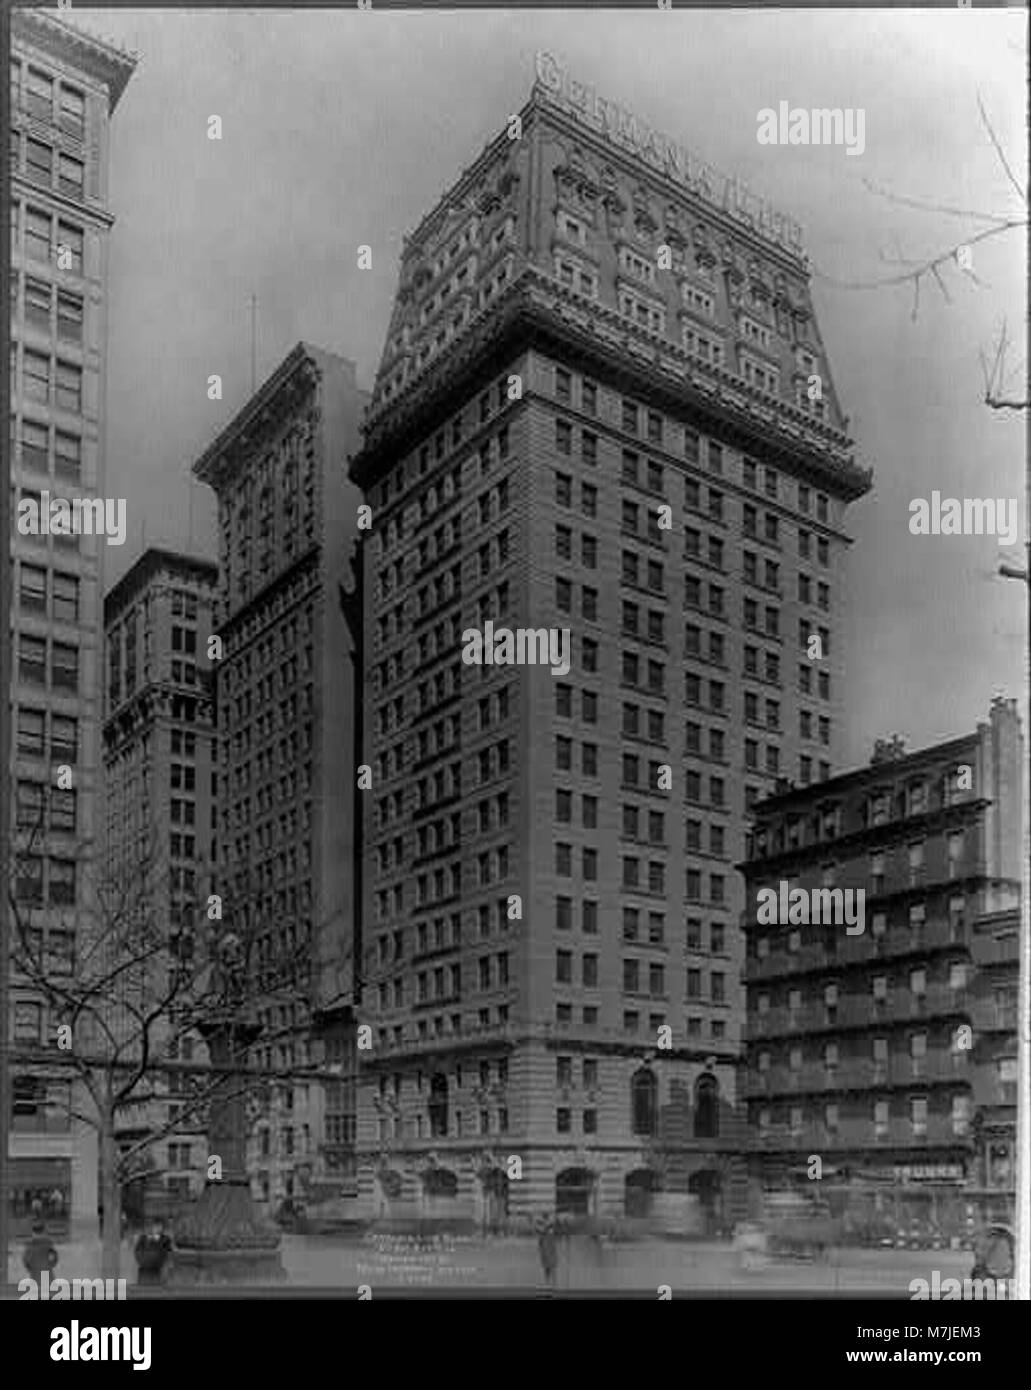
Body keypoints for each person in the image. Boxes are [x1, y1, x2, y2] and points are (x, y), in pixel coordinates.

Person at [134, 1218, 173, 1286]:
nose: (157, 1228)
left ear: (162, 1228)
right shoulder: (143, 1238)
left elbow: (167, 1254)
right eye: (156, 1226)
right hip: (144, 1269)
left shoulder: (165, 1239)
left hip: (157, 1270)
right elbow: (137, 1251)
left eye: (159, 1226)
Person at [538, 1215, 558, 1291]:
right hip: (546, 1251)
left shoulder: (550, 1230)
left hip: (549, 1250)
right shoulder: (545, 1231)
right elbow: (540, 1242)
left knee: (551, 1267)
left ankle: (552, 1284)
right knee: (548, 1268)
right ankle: (548, 1283)